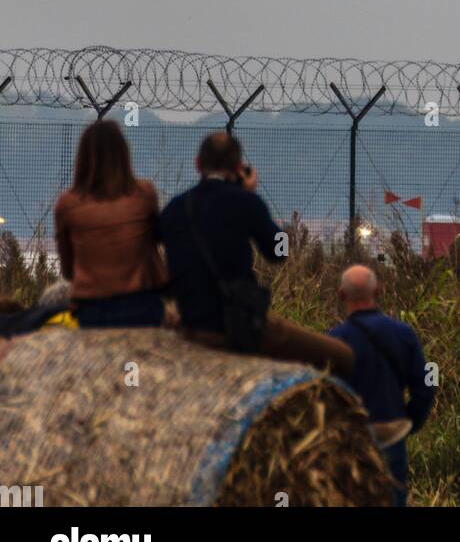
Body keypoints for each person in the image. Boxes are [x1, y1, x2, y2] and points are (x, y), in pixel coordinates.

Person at [159, 131, 353, 373]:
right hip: (241, 324)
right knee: (343, 357)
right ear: (240, 166)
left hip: (191, 322)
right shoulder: (246, 202)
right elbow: (279, 253)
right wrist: (275, 222)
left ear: (198, 164)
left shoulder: (175, 208)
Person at [329, 265, 436, 506]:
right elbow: (426, 384)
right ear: (378, 291)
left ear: (342, 294)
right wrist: (410, 422)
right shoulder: (403, 334)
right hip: (391, 433)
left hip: (350, 439)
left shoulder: (334, 340)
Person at [54, 120, 167, 328]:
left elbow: (68, 270)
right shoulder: (144, 195)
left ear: (82, 158)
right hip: (140, 303)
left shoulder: (67, 204)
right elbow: (157, 239)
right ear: (124, 154)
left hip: (92, 307)